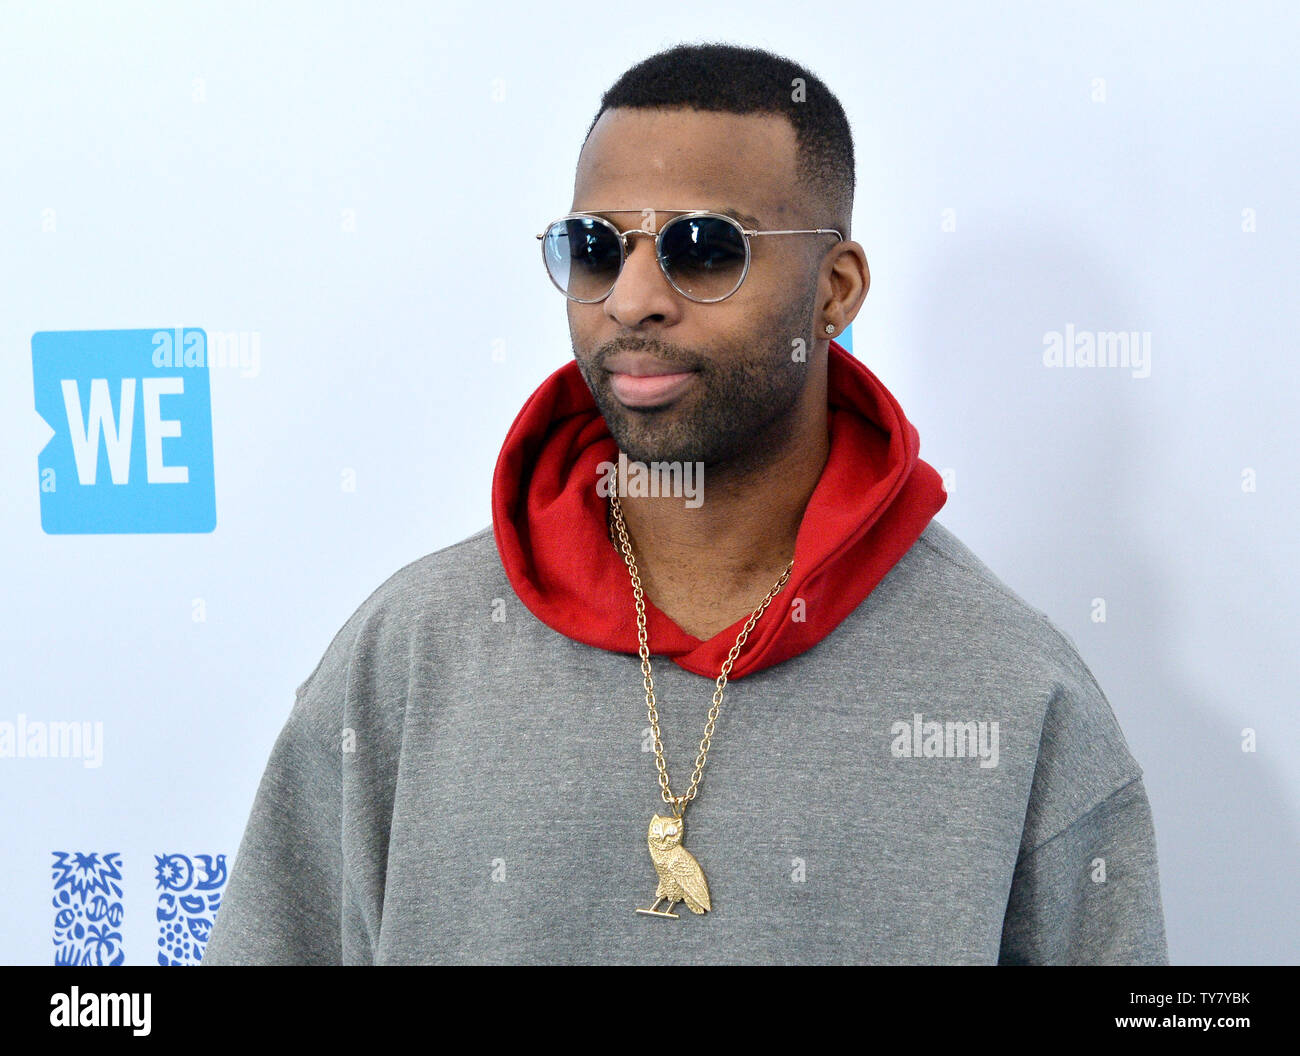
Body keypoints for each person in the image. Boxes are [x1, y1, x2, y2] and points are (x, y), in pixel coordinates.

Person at [203, 42, 1168, 965]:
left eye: (703, 249)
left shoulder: (1014, 692)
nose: (630, 299)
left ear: (835, 291)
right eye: (594, 248)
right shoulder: (410, 654)